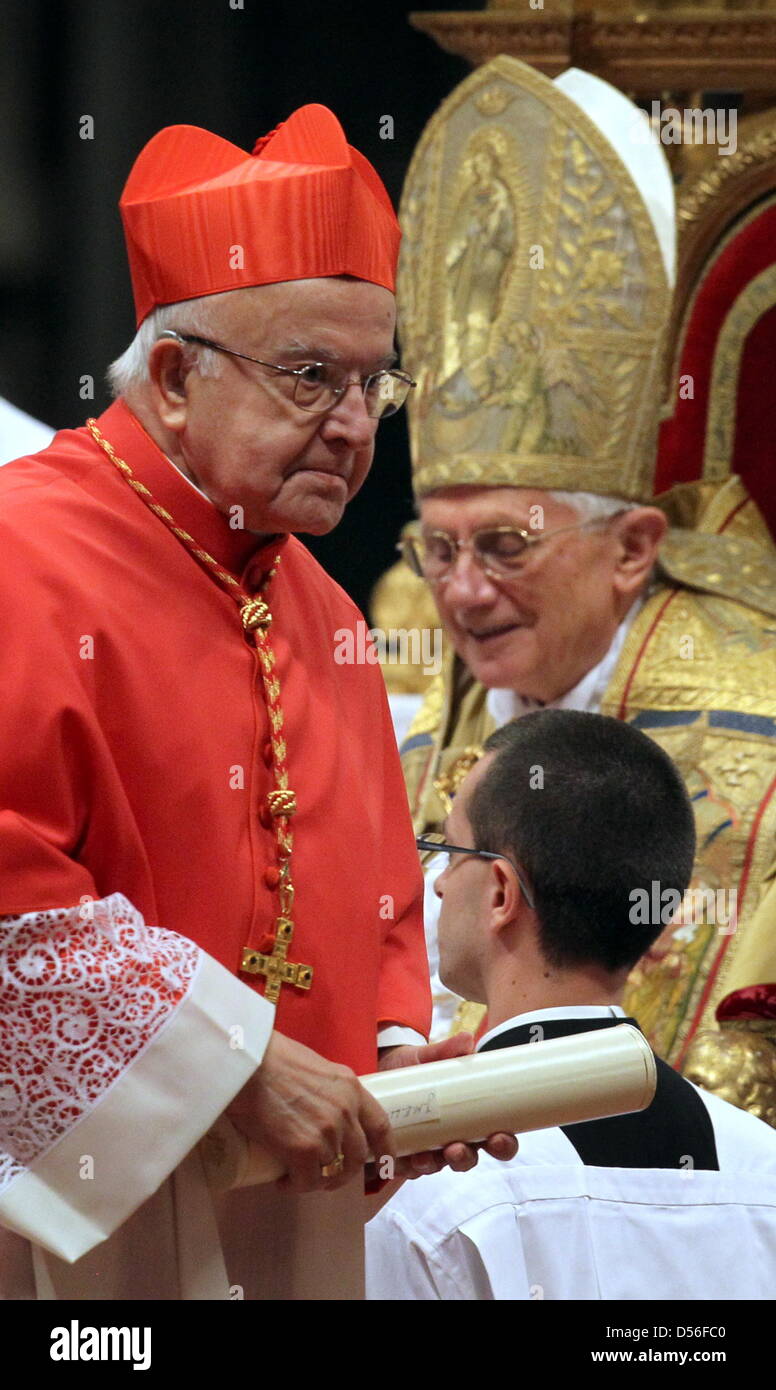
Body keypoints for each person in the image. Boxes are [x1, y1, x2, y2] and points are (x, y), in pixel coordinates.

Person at [0, 104, 514, 1302]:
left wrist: (402, 1076)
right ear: (175, 376)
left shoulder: (326, 610)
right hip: (75, 1239)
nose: (350, 424)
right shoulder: (24, 555)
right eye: (306, 377)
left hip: (297, 1227)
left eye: (370, 382)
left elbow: (381, 908)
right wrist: (228, 1064)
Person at [394, 57, 776, 1117]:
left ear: (630, 546)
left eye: (505, 547)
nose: (462, 593)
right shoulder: (420, 741)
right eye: (436, 548)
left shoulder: (761, 750)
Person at [366, 711, 776, 1300]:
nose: (437, 883)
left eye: (449, 850)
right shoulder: (760, 1164)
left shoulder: (427, 1183)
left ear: (502, 892)